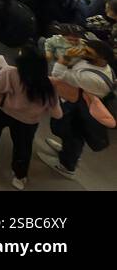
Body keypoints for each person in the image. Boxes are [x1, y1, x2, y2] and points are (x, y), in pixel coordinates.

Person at [0, 45, 63, 189]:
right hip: (29, 121)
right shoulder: (48, 84)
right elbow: (57, 114)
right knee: (23, 147)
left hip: (2, 111)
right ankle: (20, 176)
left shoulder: (11, 72)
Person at [39, 36, 116, 178]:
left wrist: (67, 56)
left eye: (88, 53)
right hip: (76, 100)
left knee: (71, 134)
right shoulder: (94, 63)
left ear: (102, 59)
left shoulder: (94, 79)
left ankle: (67, 166)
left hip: (79, 108)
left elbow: (58, 74)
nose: (83, 53)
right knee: (69, 133)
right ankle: (67, 150)